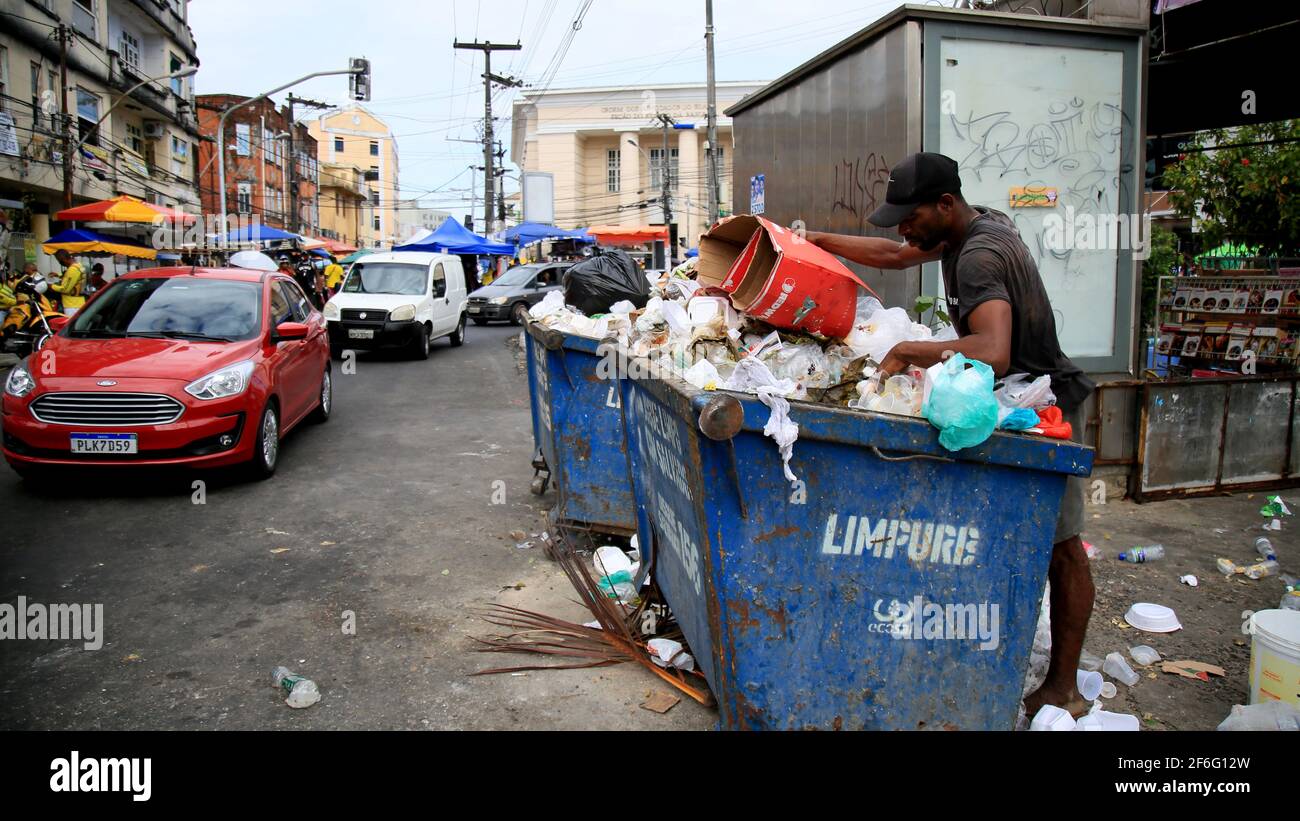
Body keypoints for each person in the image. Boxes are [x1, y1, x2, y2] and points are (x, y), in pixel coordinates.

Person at [806, 151, 1096, 719]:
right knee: (1017, 537)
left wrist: (908, 350)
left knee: (1064, 550)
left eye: (910, 216)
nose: (904, 229)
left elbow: (993, 349)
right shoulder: (972, 225)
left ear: (944, 205)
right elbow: (892, 254)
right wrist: (810, 238)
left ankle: (1065, 689)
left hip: (1044, 410)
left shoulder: (979, 255)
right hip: (1015, 400)